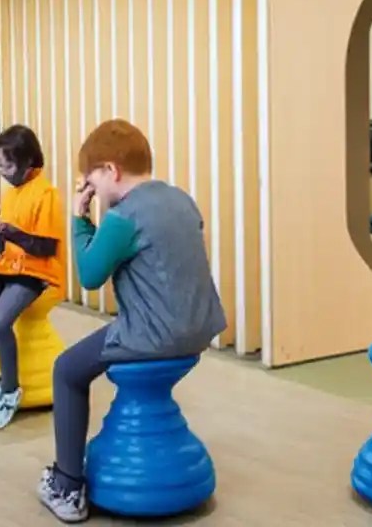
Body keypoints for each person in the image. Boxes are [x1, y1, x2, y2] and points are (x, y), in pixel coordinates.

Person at [38, 119, 226, 523]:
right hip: (199, 329)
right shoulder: (182, 200)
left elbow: (90, 275)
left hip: (152, 336)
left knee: (67, 370)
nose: (91, 191)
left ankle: (67, 485)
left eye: (92, 182)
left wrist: (79, 218)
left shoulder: (123, 217)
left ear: (112, 170)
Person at [0, 125, 65, 431]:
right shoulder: (11, 193)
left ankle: (9, 392)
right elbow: (4, 246)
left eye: (6, 166)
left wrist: (7, 229)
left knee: (1, 321)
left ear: (27, 161)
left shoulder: (46, 193)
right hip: (8, 266)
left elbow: (45, 247)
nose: (2, 173)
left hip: (37, 269)